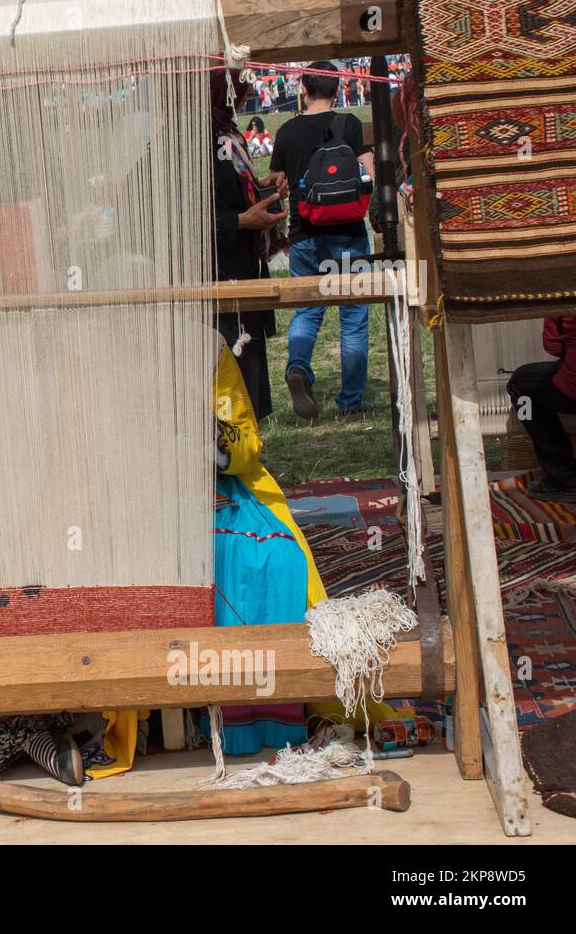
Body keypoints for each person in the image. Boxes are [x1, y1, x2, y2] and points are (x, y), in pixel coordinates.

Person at [206, 332, 327, 753]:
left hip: (219, 486)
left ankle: (259, 720)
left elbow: (247, 439)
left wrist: (211, 441)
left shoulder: (204, 347)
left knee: (274, 554)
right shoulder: (99, 343)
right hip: (126, 493)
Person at [268, 60, 376, 419]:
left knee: (307, 311)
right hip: (346, 232)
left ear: (302, 88)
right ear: (339, 88)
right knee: (354, 316)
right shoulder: (348, 124)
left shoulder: (285, 132)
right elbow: (370, 176)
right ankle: (350, 400)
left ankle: (298, 367)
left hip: (303, 233)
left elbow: (278, 187)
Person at [213, 73, 287, 420]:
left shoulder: (226, 133)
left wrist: (261, 189)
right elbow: (184, 218)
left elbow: (229, 190)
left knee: (247, 375)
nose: (240, 100)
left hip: (243, 270)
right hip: (216, 280)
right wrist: (244, 221)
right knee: (227, 376)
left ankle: (248, 454)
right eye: (232, 93)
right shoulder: (182, 142)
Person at [508, 317, 576, 502]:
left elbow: (553, 346)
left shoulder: (559, 289)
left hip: (573, 389)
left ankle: (566, 478)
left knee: (519, 387)